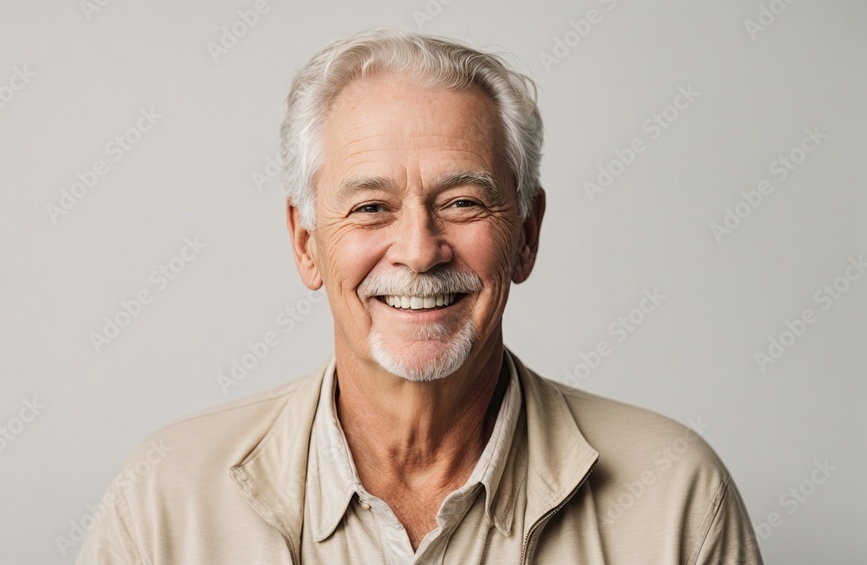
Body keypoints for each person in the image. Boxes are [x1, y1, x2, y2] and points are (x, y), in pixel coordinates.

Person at [76, 28, 763, 564]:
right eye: (372, 207)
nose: (419, 249)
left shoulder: (676, 495)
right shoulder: (165, 502)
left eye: (462, 202)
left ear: (525, 235)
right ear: (306, 243)